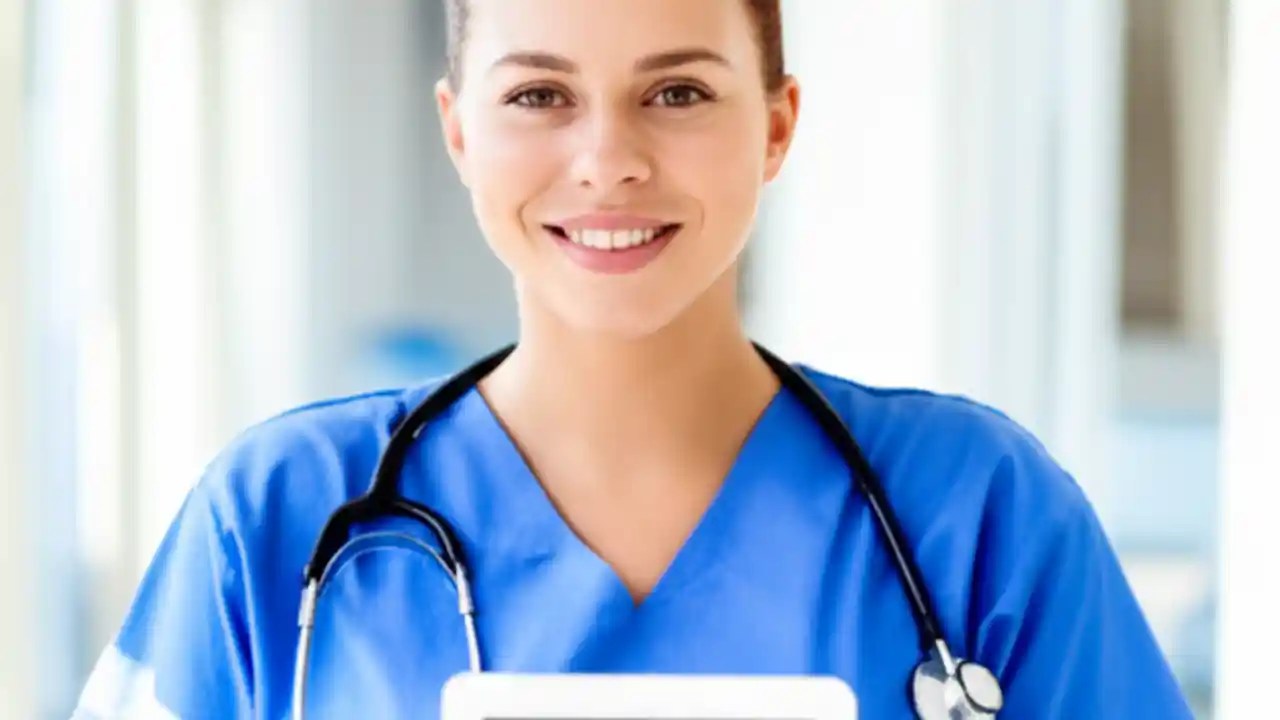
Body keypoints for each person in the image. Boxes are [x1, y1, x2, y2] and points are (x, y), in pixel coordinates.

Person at [72, 0, 1194, 717]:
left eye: (677, 92)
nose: (608, 160)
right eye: (539, 96)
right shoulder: (275, 516)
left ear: (776, 125)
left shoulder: (978, 511)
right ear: (459, 130)